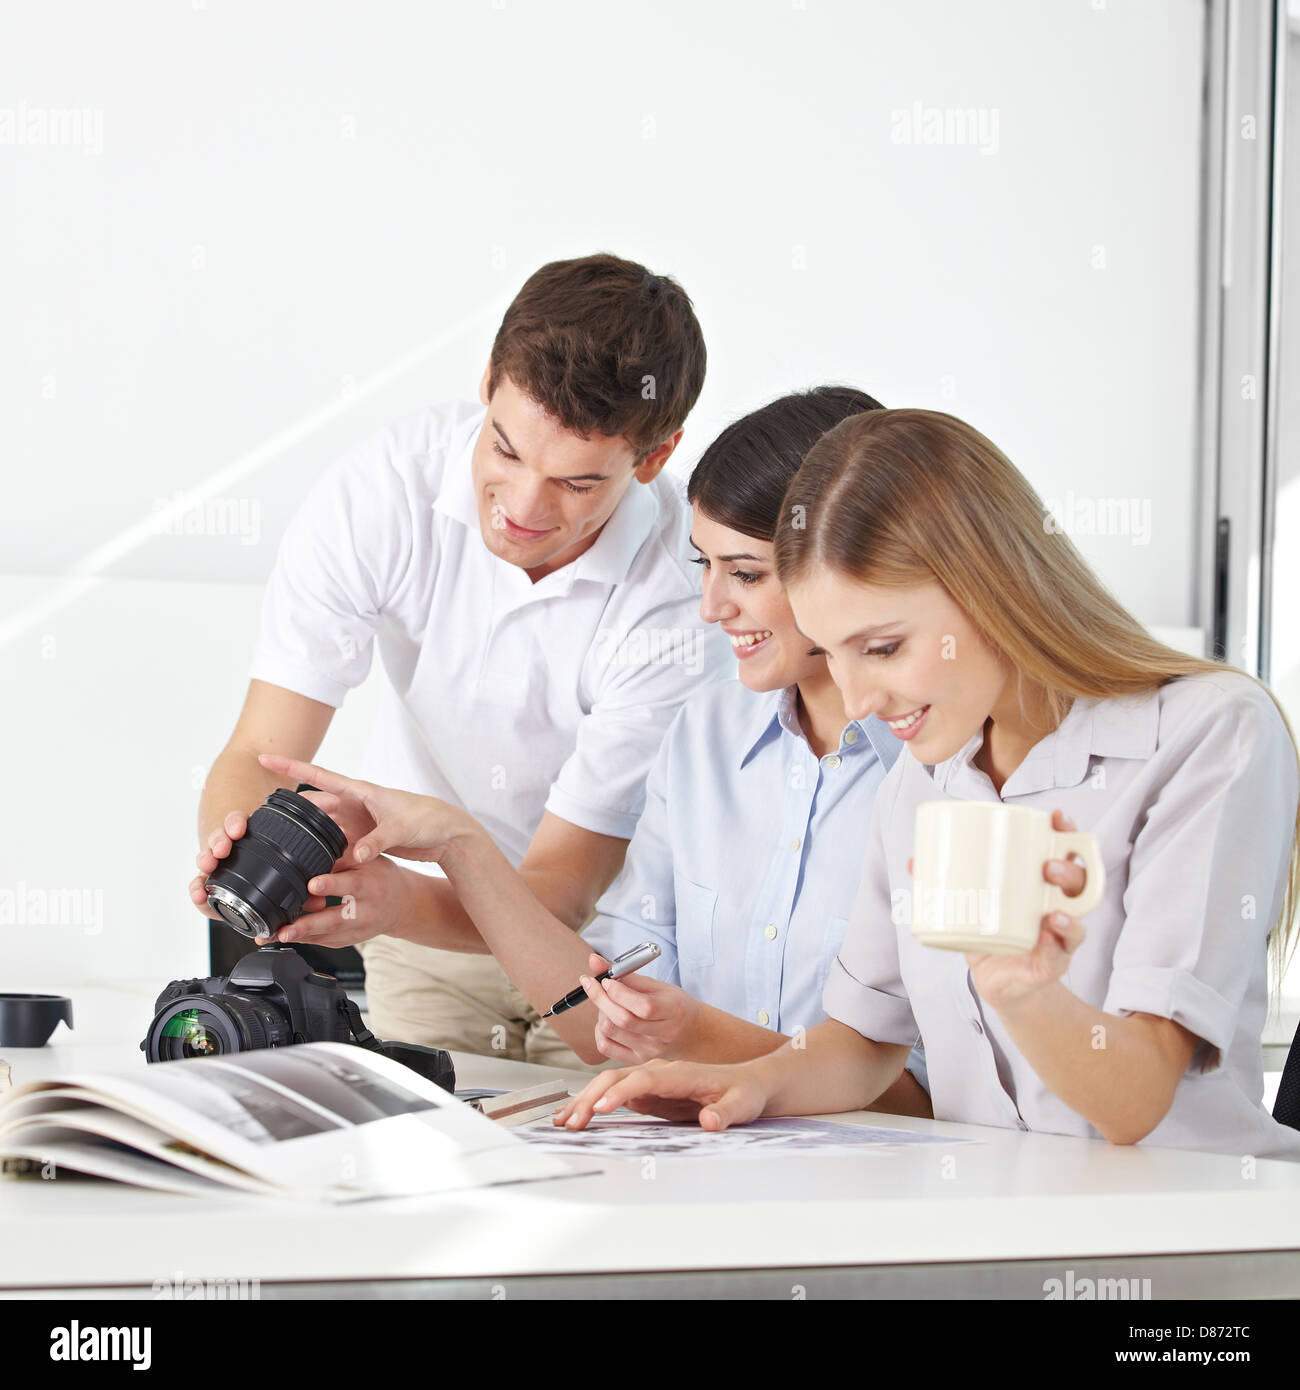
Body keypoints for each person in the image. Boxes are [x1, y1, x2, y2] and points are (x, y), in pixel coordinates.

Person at [552, 407, 1300, 1161]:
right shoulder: (924, 774)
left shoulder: (1209, 733)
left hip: (1189, 1232)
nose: (862, 701)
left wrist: (1025, 991)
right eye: (837, 654)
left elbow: (1135, 1102)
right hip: (987, 1221)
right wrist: (749, 1085)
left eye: (883, 647)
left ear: (989, 586)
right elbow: (865, 1039)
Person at [256, 388, 931, 1118]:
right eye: (703, 565)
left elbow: (928, 1091)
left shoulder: (935, 767)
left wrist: (698, 1036)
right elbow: (596, 1023)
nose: (710, 606)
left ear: (846, 564)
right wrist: (459, 846)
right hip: (701, 1171)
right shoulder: (704, 736)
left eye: (744, 573)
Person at [190, 253, 732, 1067]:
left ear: (652, 458)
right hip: (426, 944)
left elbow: (561, 891)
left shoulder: (680, 595)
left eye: (576, 484)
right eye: (506, 451)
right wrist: (234, 858)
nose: (522, 508)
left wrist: (392, 899)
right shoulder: (384, 491)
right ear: (487, 382)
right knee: (417, 1158)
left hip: (607, 951)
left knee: (601, 1174)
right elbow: (257, 752)